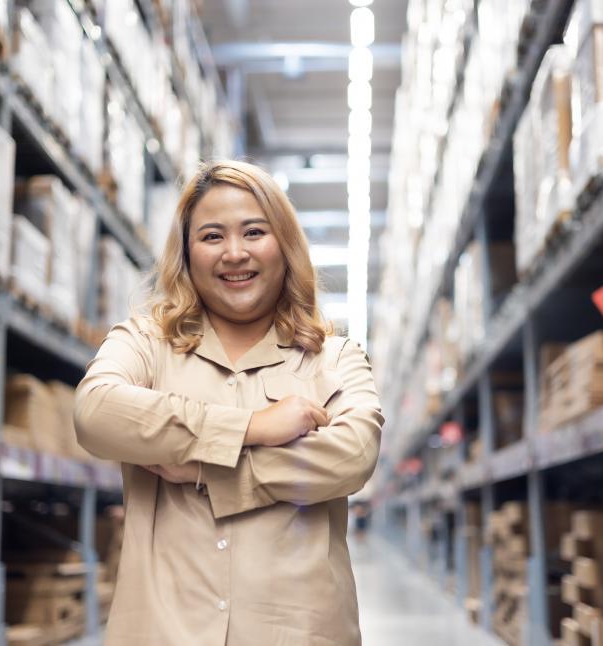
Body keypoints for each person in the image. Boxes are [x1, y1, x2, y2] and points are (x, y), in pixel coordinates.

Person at [73, 160, 384, 645]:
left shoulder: (333, 358)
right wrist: (253, 427)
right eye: (212, 236)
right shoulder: (146, 342)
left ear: (284, 244)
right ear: (187, 252)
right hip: (165, 631)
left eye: (254, 232)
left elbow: (353, 455)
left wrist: (207, 469)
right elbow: (95, 412)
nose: (234, 253)